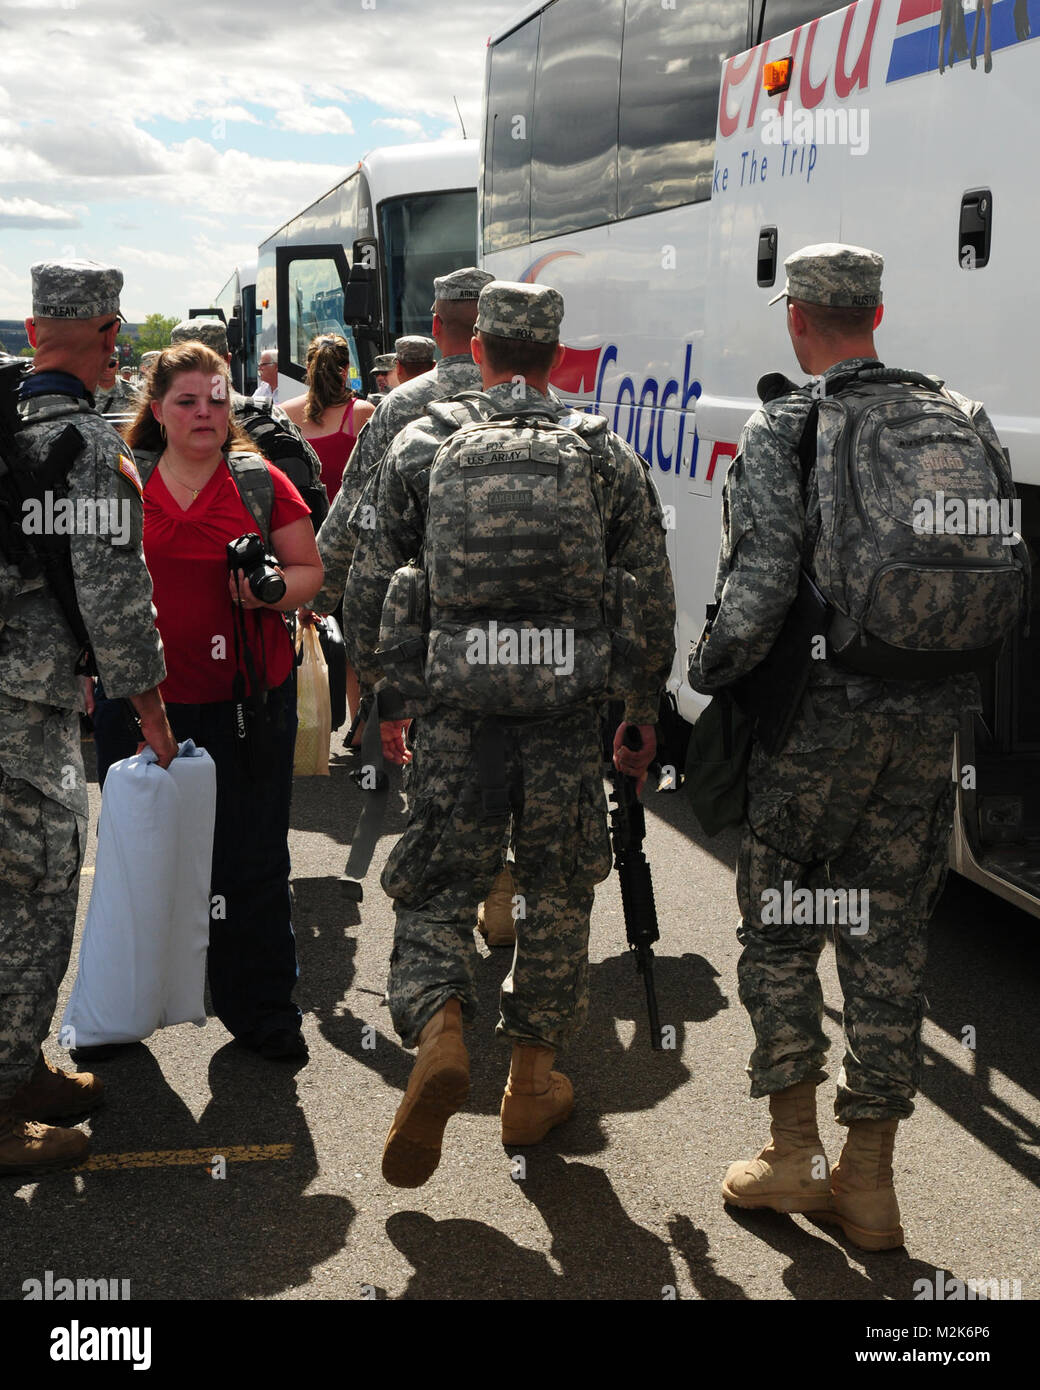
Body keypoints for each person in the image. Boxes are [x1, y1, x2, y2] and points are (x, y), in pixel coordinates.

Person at [689, 243, 1017, 1251]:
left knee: (783, 927)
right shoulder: (959, 413)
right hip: (926, 725)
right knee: (888, 939)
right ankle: (867, 1184)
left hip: (814, 727)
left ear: (797, 318)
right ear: (875, 311)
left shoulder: (787, 424)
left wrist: (703, 676)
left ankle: (790, 1157)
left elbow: (752, 601)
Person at [345, 280, 676, 1188]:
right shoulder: (602, 454)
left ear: (479, 350)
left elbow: (370, 590)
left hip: (457, 716)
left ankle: (443, 1025)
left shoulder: (421, 443)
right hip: (567, 722)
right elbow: (647, 600)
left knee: (438, 885)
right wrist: (640, 714)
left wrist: (390, 693)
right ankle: (531, 1085)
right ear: (560, 358)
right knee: (560, 890)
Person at [90, 342, 324, 1062]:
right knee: (139, 858)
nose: (204, 412)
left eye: (217, 399)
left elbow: (310, 570)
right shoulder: (123, 485)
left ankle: (260, 1009)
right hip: (139, 704)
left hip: (248, 704)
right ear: (156, 410)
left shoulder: (258, 484)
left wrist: (273, 590)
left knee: (251, 859)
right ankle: (123, 1009)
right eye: (187, 401)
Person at [0, 259, 176, 1175]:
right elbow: (116, 601)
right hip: (24, 715)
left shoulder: (6, 428)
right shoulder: (87, 451)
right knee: (33, 895)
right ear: (108, 337)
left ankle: (17, 1070)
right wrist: (151, 711)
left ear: (32, 334)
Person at [169, 318, 328, 532]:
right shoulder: (269, 413)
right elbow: (312, 480)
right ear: (227, 360)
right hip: (270, 554)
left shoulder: (162, 424)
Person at [281, 334, 374, 504]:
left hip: (302, 526)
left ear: (308, 368)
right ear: (345, 370)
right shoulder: (361, 412)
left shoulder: (283, 413)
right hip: (346, 526)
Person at [94, 351, 136, 416]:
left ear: (117, 365)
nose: (107, 369)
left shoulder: (132, 393)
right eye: (102, 364)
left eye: (111, 365)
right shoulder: (83, 393)